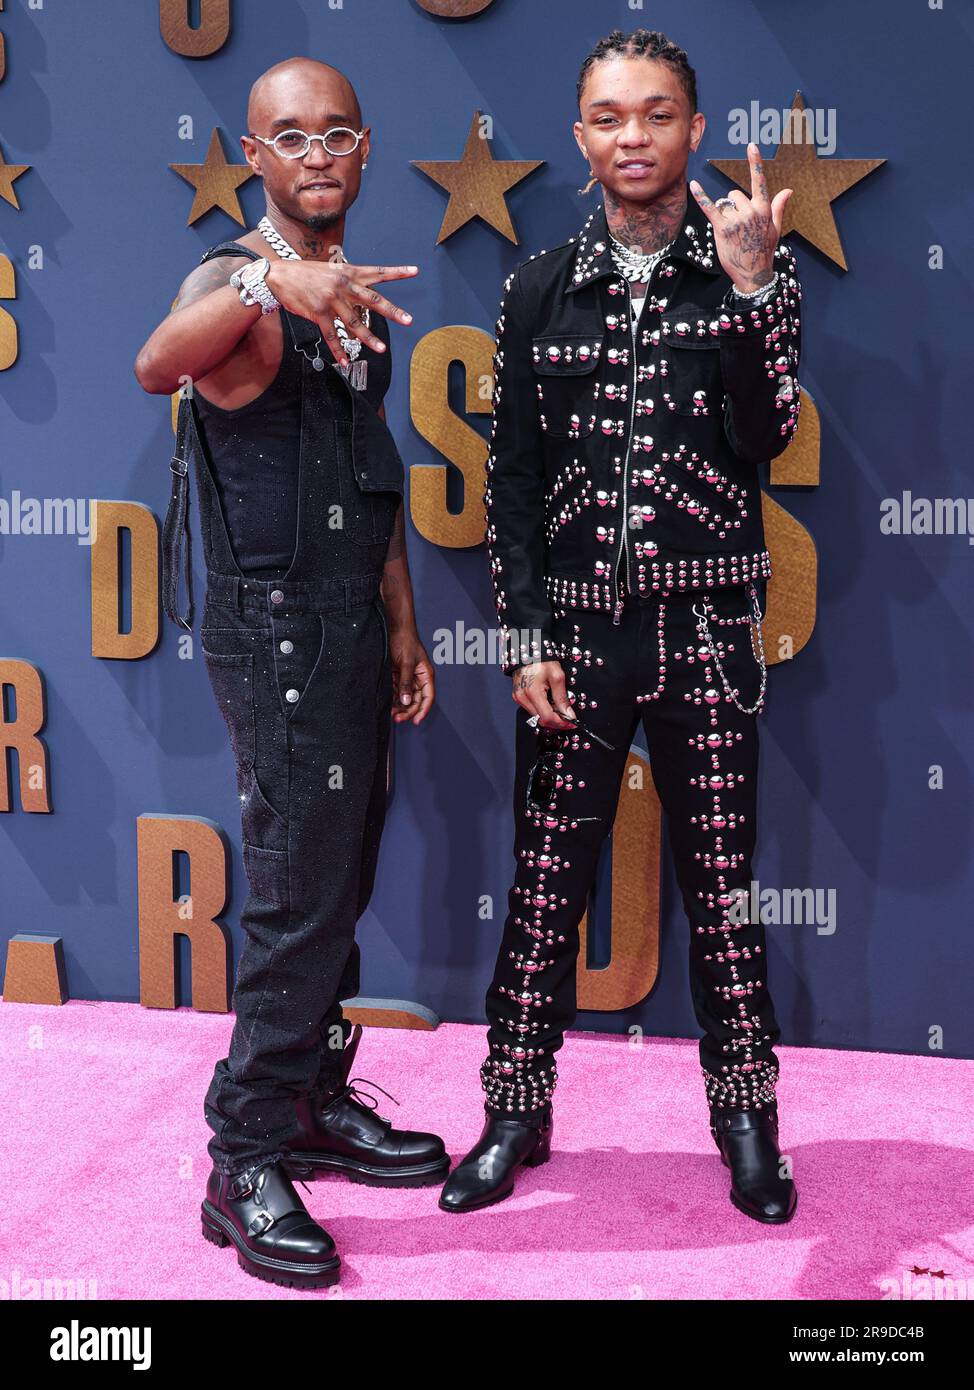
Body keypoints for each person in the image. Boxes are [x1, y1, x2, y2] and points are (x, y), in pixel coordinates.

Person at [439, 28, 802, 1224]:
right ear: (581, 135)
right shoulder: (538, 283)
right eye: (609, 116)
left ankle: (744, 1119)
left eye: (656, 114)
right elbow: (510, 483)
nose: (632, 136)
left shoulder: (748, 268)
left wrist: (752, 292)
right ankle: (511, 1107)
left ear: (693, 131)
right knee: (545, 882)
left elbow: (766, 441)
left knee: (721, 886)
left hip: (704, 632)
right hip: (579, 643)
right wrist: (526, 631)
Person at [135, 57, 446, 1290]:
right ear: (253, 156)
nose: (315, 154)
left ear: (363, 152)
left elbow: (372, 482)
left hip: (351, 629)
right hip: (275, 638)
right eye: (288, 136)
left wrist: (406, 630)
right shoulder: (234, 282)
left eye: (335, 135)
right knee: (292, 898)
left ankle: (312, 1099)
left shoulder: (353, 300)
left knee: (339, 879)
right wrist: (273, 276)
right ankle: (243, 1153)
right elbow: (158, 362)